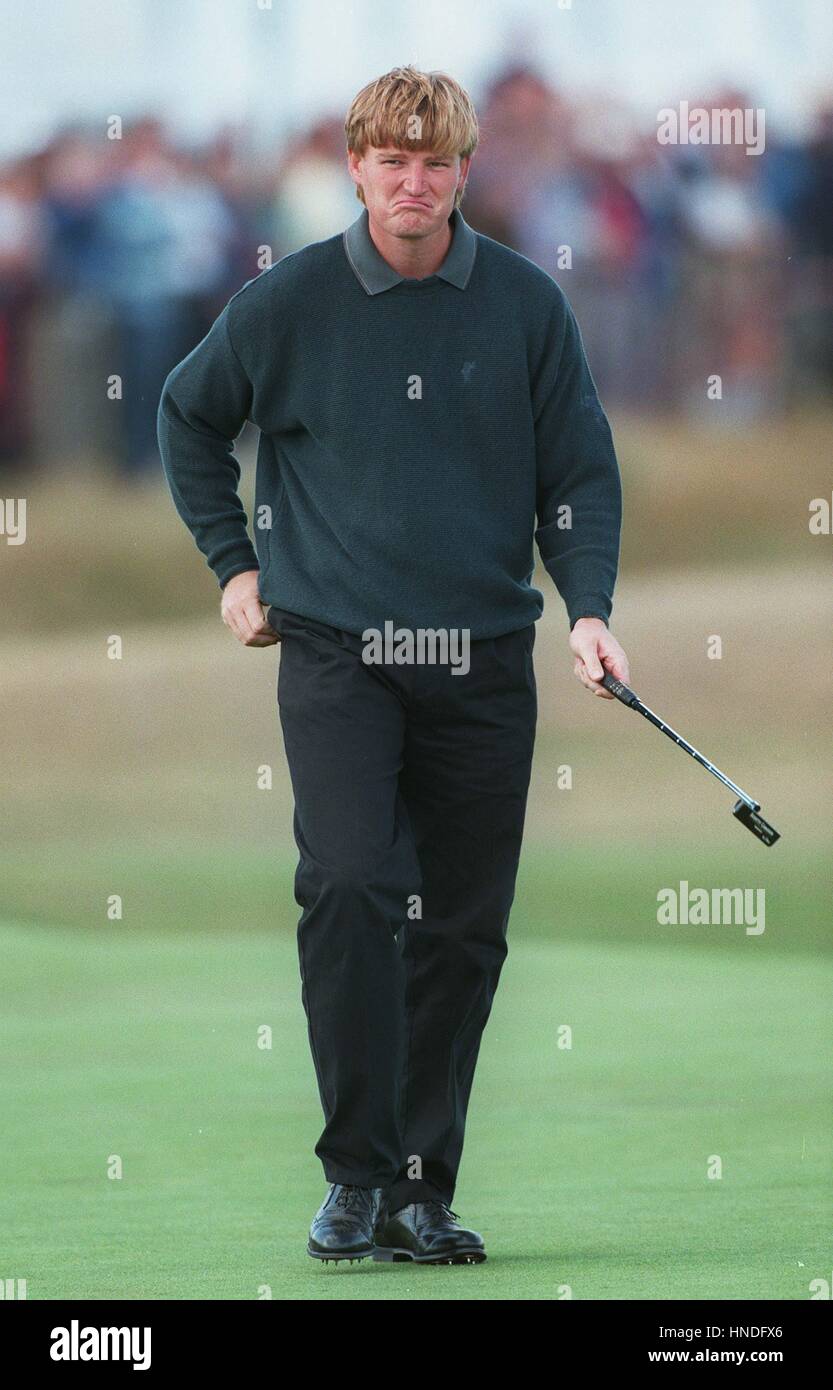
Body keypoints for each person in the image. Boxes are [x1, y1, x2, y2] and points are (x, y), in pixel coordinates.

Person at [157, 65, 631, 1267]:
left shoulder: (524, 305)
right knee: (354, 884)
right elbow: (187, 413)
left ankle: (423, 1189)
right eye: (389, 161)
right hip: (335, 652)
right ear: (356, 166)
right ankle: (354, 1177)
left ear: (464, 172)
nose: (411, 183)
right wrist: (232, 561)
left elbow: (575, 471)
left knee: (462, 928)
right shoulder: (293, 300)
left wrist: (586, 609)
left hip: (479, 664)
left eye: (434, 163)